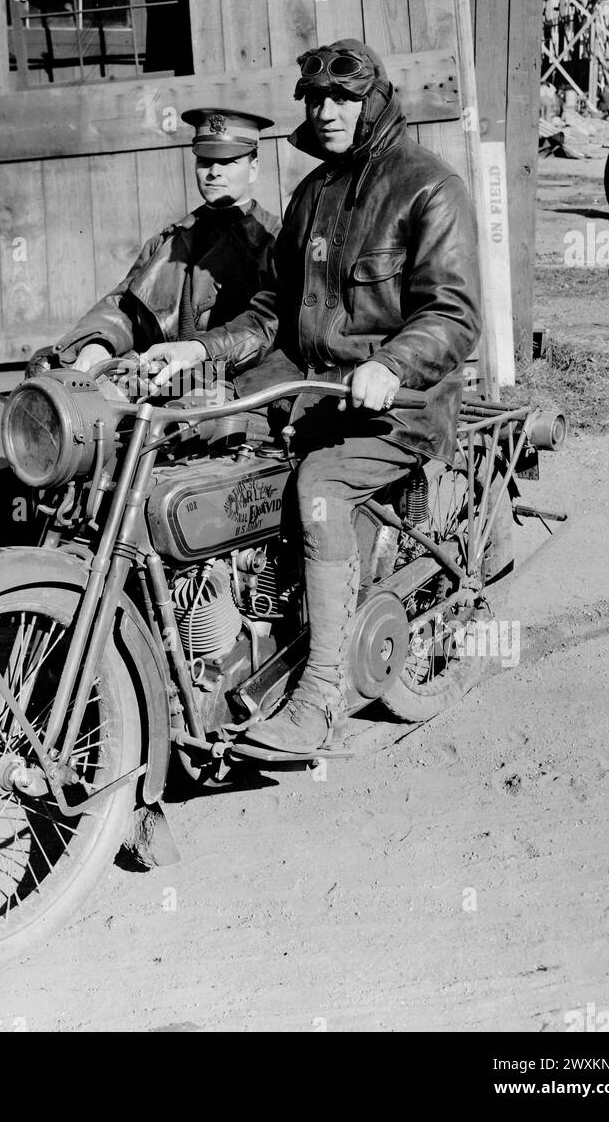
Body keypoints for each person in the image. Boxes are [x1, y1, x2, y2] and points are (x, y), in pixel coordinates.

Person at [141, 39, 482, 753]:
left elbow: (452, 316)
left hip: (404, 405)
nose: (326, 111)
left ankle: (320, 697)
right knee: (204, 436)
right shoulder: (313, 196)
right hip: (313, 391)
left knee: (320, 483)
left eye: (343, 97)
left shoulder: (430, 187)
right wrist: (200, 350)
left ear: (375, 101)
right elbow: (273, 311)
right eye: (316, 99)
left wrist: (392, 362)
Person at [27, 108, 281, 391]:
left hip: (227, 382)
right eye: (205, 161)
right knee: (49, 369)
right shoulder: (169, 240)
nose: (214, 172)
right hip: (157, 377)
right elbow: (125, 306)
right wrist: (98, 342)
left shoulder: (274, 241)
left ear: (254, 166)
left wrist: (197, 350)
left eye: (229, 161)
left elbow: (266, 327)